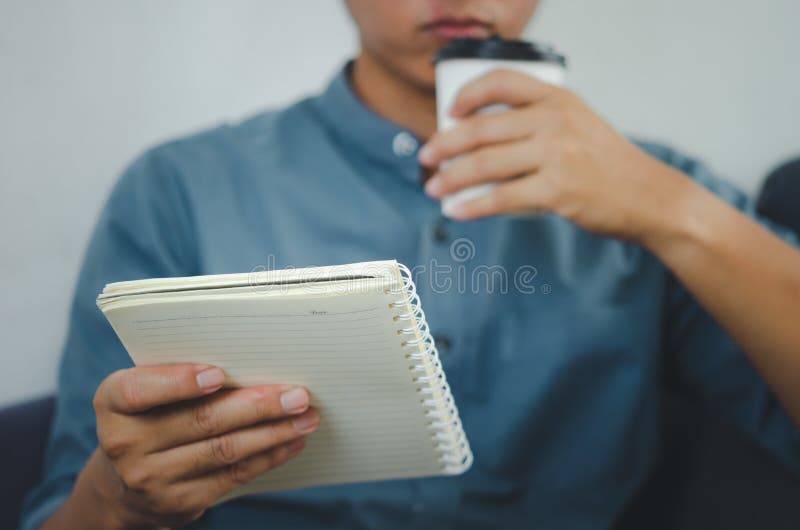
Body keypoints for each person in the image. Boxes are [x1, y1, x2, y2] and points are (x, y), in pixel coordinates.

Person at [21, 1, 800, 529]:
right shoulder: (180, 190)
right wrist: (120, 499)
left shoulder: (660, 190)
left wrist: (681, 214)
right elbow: (71, 507)